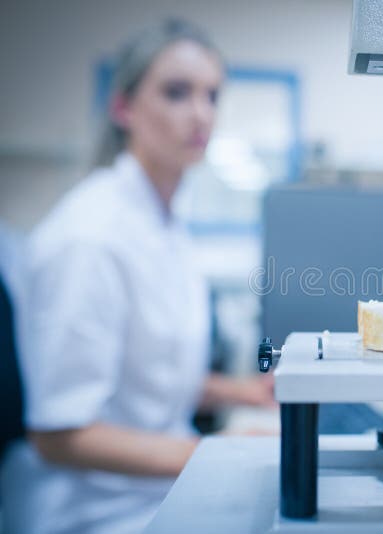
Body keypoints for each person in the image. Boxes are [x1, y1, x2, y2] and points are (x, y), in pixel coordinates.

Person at [0, 19, 274, 534]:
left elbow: (146, 377)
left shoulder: (164, 223)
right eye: (177, 93)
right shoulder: (90, 237)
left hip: (156, 487)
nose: (201, 113)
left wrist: (241, 392)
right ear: (123, 107)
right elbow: (58, 433)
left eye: (212, 95)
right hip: (94, 511)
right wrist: (220, 452)